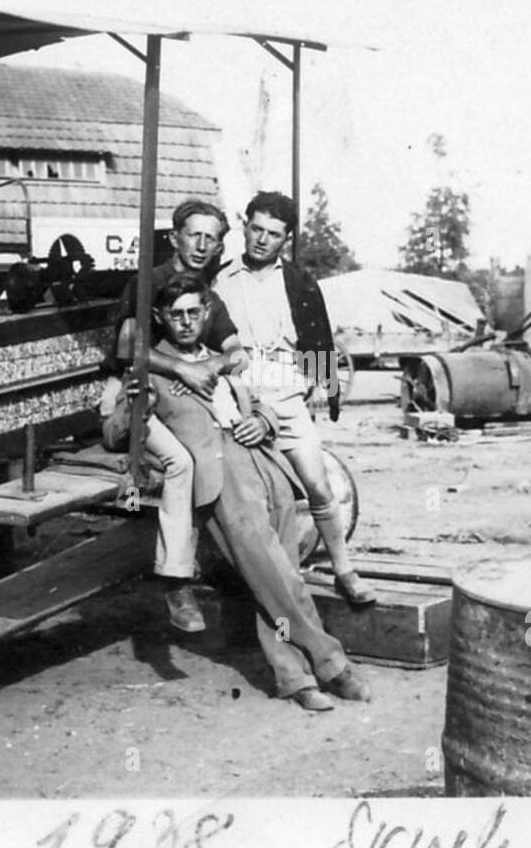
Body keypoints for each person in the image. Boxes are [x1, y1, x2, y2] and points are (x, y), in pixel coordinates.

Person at [102, 272, 372, 711]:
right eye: (176, 315)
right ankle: (330, 661)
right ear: (160, 318)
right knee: (278, 576)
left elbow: (257, 400)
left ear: (206, 314)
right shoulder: (148, 366)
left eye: (194, 312)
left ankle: (293, 677)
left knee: (279, 576)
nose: (186, 322)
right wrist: (134, 407)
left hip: (265, 466)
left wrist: (264, 419)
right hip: (221, 479)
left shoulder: (221, 358)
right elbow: (114, 434)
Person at [213, 191, 376, 606]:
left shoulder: (299, 282)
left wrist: (320, 394)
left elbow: (317, 341)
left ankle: (343, 569)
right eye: (256, 229)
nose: (262, 240)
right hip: (239, 399)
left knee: (319, 486)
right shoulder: (221, 280)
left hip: (286, 397)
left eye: (274, 234)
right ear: (244, 226)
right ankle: (250, 582)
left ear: (285, 239)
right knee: (248, 496)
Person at [101, 200, 248, 634]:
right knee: (180, 462)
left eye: (212, 238)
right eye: (194, 235)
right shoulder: (148, 283)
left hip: (174, 392)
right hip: (132, 391)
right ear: (175, 238)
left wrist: (208, 367)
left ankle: (231, 574)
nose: (202, 246)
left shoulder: (209, 295)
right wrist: (181, 367)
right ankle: (177, 580)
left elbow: (235, 352)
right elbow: (128, 350)